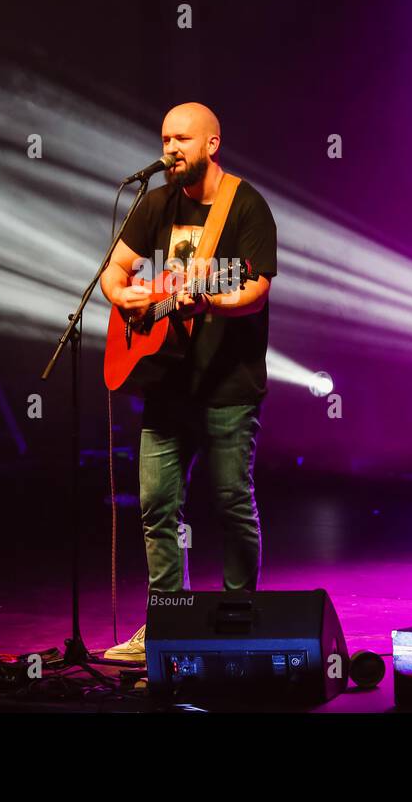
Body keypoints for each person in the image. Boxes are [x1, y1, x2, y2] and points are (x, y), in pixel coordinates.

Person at [98, 102, 278, 662]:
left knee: (229, 502)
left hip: (228, 386)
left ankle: (238, 613)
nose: (169, 149)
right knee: (156, 505)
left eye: (181, 139)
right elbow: (113, 270)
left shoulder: (245, 205)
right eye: (164, 138)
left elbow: (256, 286)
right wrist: (124, 296)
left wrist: (218, 300)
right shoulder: (154, 203)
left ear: (211, 144)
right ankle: (165, 624)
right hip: (167, 383)